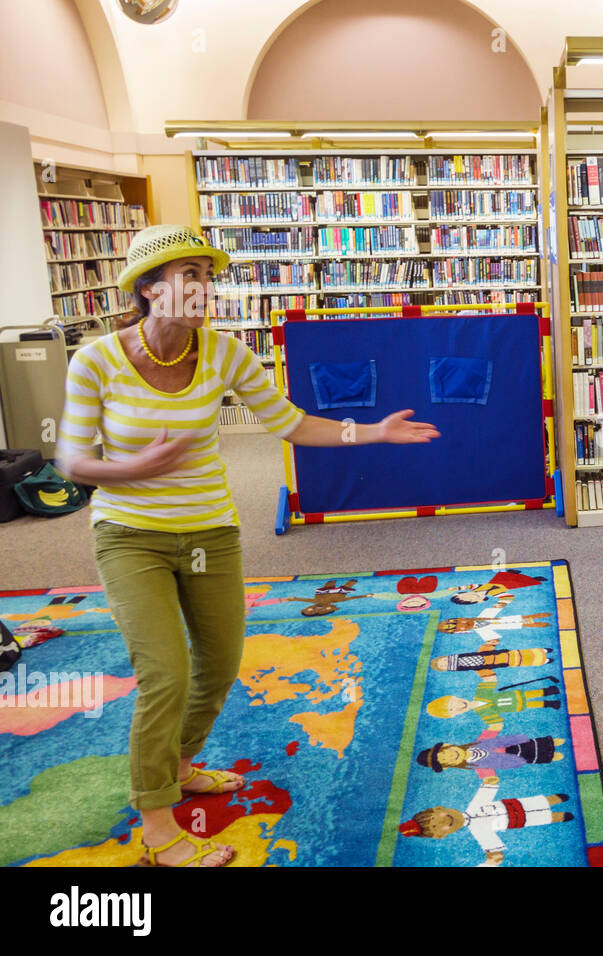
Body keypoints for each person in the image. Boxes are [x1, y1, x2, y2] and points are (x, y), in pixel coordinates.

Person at [55, 225, 440, 867]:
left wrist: (370, 432)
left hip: (209, 532)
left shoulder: (226, 353)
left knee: (218, 665)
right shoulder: (94, 359)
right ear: (149, 290)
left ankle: (178, 765)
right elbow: (71, 460)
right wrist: (133, 470)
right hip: (129, 536)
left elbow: (290, 423)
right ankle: (157, 823)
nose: (204, 288)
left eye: (208, 276)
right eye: (189, 276)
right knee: (164, 671)